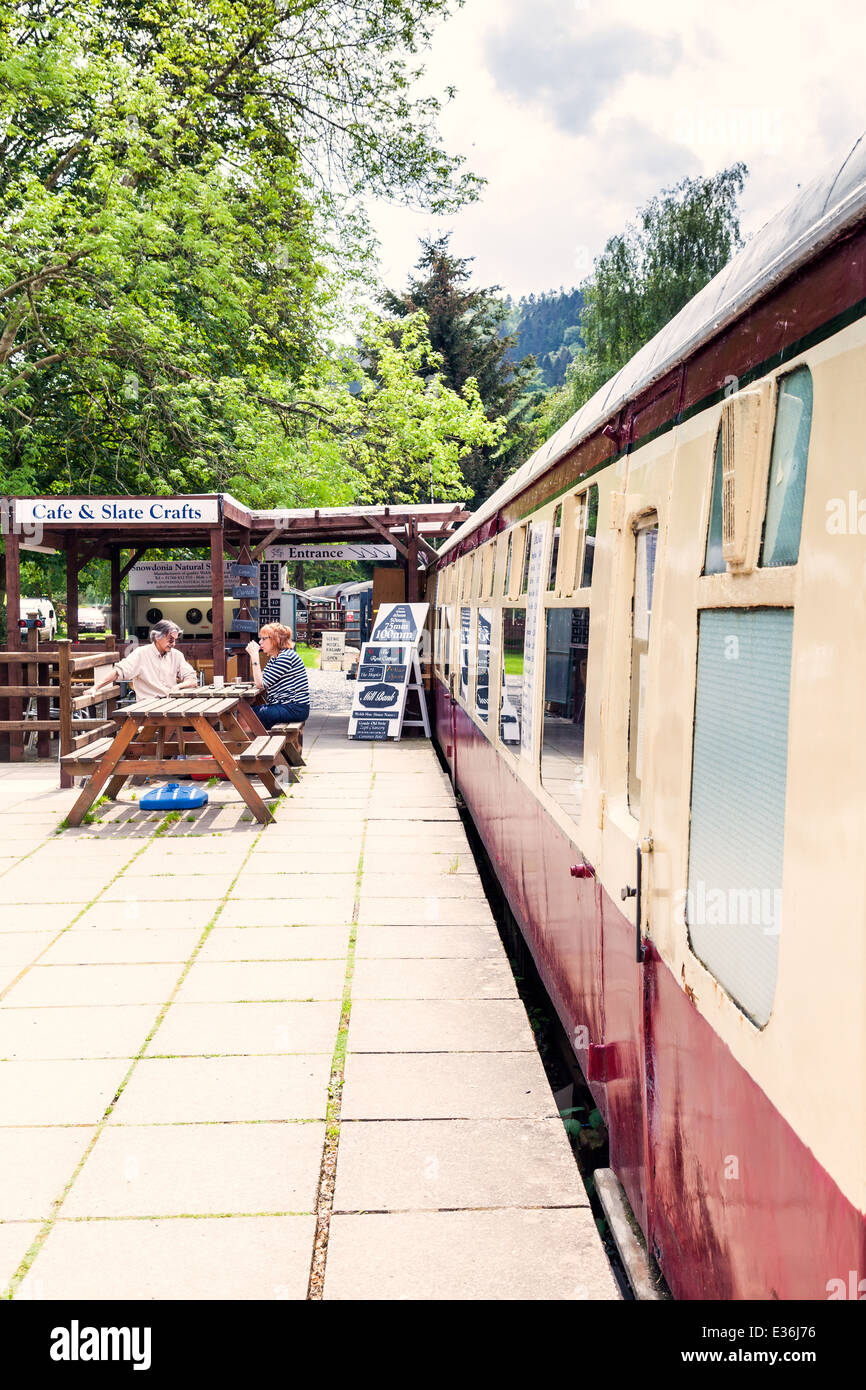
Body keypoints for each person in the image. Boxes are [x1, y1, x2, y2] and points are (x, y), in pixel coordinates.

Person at [92, 619, 199, 700]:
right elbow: (118, 671)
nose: (173, 644)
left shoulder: (176, 655)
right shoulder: (141, 653)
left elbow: (192, 680)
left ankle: (171, 730)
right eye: (170, 640)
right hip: (147, 706)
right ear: (157, 637)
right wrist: (95, 687)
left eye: (175, 640)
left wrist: (178, 687)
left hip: (169, 703)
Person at [245, 623, 310, 730]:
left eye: (263, 639)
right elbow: (262, 679)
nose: (260, 642)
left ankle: (250, 745)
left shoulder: (285, 657)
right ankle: (256, 743)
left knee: (246, 715)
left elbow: (260, 684)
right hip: (286, 706)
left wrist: (255, 656)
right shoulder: (276, 657)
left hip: (293, 708)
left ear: (275, 640)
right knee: (247, 713)